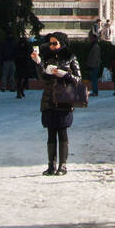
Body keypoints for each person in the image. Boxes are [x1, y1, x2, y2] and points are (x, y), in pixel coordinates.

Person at [32, 32, 80, 175]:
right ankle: (51, 165)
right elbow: (42, 77)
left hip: (64, 99)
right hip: (48, 99)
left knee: (62, 131)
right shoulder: (47, 57)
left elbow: (78, 79)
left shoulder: (70, 57)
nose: (52, 46)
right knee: (51, 132)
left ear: (62, 43)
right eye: (50, 43)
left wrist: (64, 74)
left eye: (55, 43)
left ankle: (63, 165)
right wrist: (38, 63)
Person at [85, 30, 102, 99]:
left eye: (91, 37)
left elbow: (95, 58)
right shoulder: (93, 46)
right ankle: (95, 91)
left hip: (94, 65)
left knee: (94, 79)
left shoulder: (95, 47)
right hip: (93, 65)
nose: (89, 39)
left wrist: (92, 66)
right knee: (93, 79)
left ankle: (95, 92)